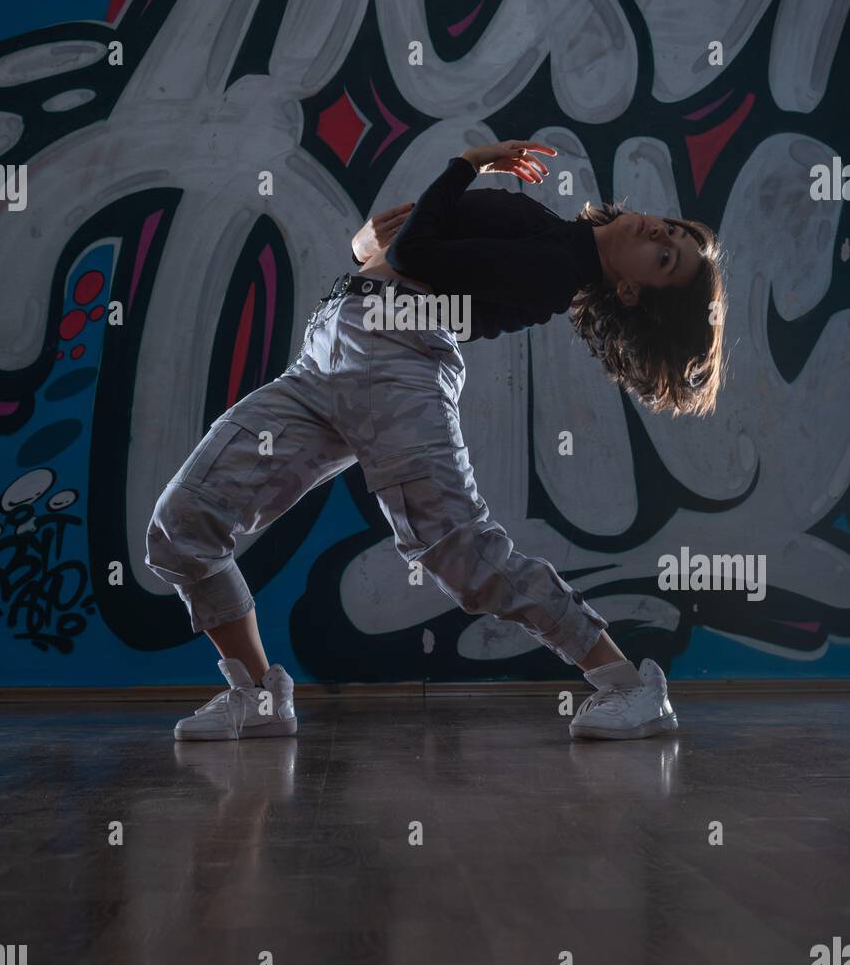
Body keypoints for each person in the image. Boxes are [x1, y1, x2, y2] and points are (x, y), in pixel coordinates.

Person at [146, 140, 726, 742]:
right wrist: (365, 250)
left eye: (665, 257)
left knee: (461, 552)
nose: (662, 232)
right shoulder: (551, 243)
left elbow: (416, 249)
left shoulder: (556, 267)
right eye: (674, 233)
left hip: (390, 360)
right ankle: (257, 697)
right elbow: (411, 258)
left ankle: (629, 687)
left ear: (631, 292)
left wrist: (469, 163)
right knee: (184, 522)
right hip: (331, 351)